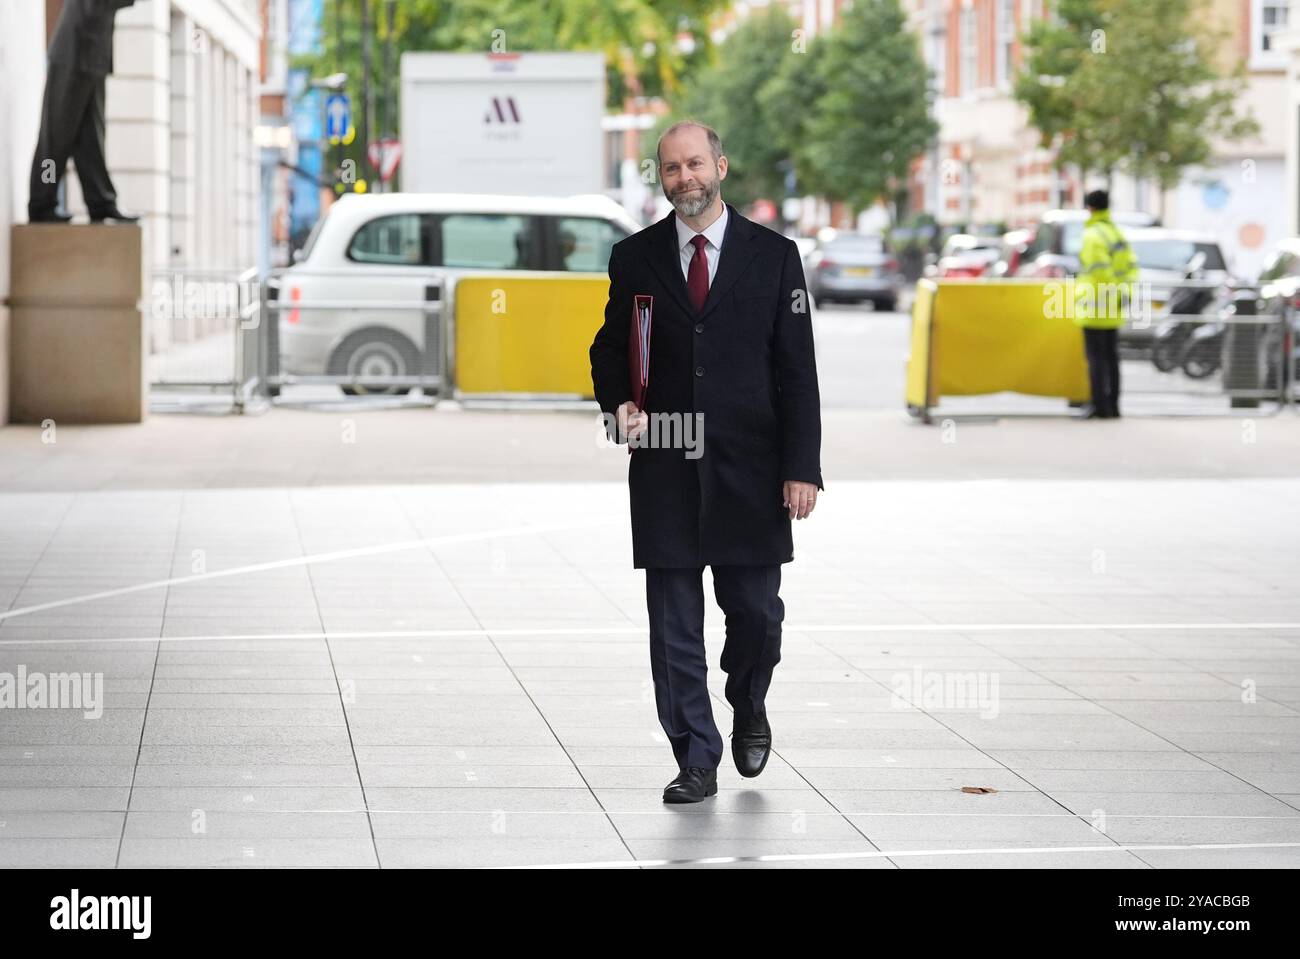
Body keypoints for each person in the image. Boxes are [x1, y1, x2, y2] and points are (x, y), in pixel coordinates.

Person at [589, 120, 824, 804]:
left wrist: (801, 466)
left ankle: (748, 700)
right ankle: (695, 753)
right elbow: (609, 347)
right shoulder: (634, 257)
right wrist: (618, 406)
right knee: (674, 628)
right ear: (660, 179)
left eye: (695, 164)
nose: (684, 178)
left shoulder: (775, 257)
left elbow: (797, 371)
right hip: (664, 460)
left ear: (720, 164)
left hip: (750, 469)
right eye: (671, 169)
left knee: (756, 615)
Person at [28, 0, 140, 224]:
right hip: (72, 54)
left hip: (93, 57)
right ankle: (42, 201)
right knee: (55, 140)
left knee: (91, 139)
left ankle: (101, 202)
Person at [1074, 189, 1137, 418]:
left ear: (1089, 208)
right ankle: (1114, 406)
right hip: (1115, 305)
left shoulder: (1092, 236)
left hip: (1095, 306)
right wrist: (1123, 292)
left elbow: (1099, 272)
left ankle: (1099, 406)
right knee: (1111, 357)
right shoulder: (1116, 234)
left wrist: (1110, 291)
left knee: (1096, 359)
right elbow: (1131, 267)